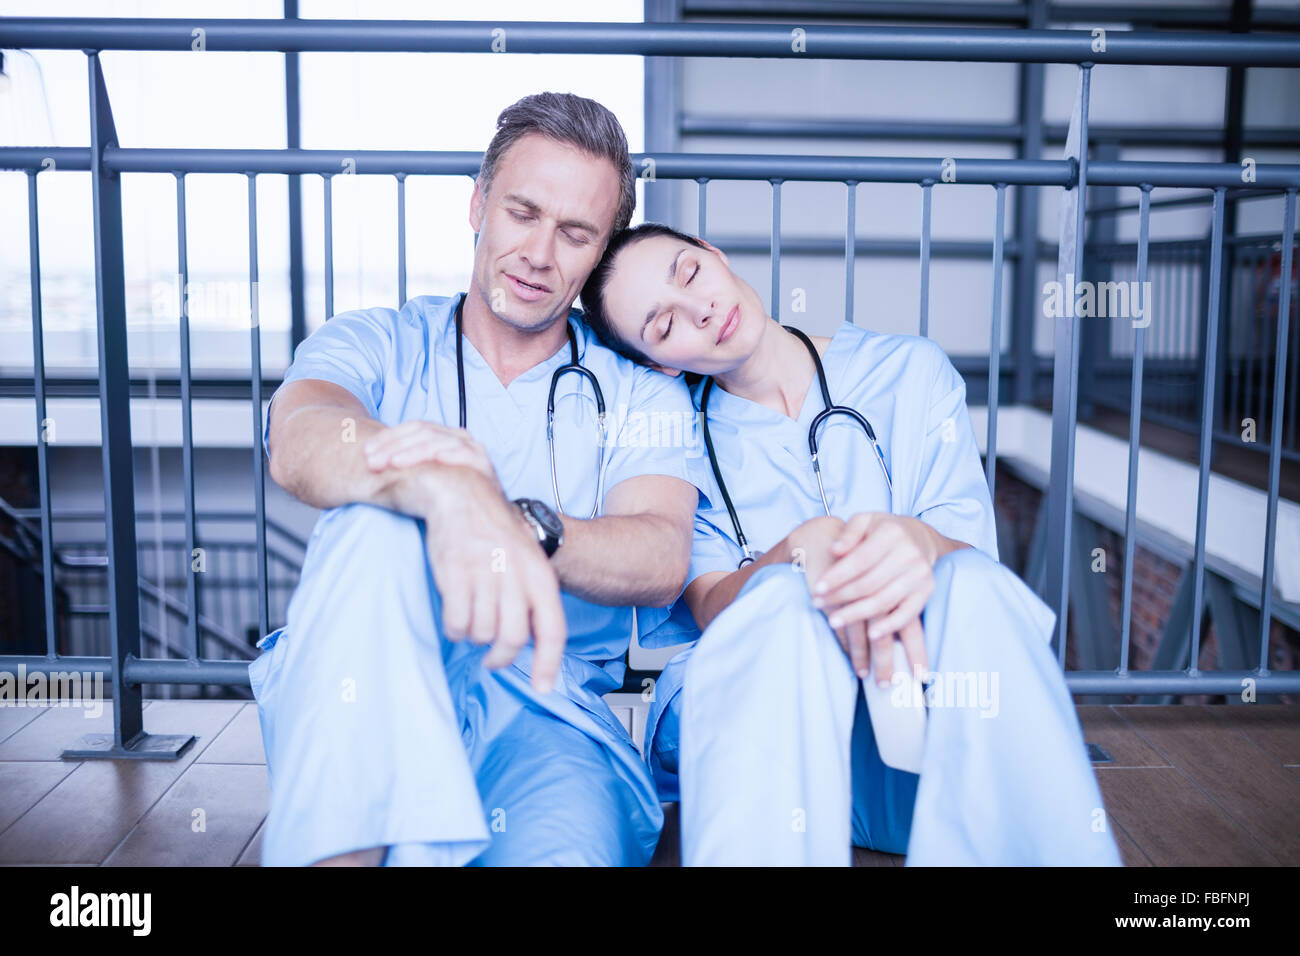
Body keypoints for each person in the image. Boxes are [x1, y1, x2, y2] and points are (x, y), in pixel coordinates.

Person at [578, 222, 1124, 866]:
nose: (697, 311)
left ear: (715, 255)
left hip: (912, 726)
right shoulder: (678, 441)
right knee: (779, 600)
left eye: (689, 273)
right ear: (661, 364)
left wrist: (915, 540)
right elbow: (710, 605)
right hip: (772, 737)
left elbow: (971, 564)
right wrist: (799, 551)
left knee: (969, 586)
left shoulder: (909, 373)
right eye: (663, 327)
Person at [250, 96, 703, 866]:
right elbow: (300, 441)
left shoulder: (636, 389)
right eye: (523, 212)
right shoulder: (379, 341)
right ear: (478, 204)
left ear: (599, 253)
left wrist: (507, 519)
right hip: (372, 680)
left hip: (548, 714)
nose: (539, 253)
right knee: (371, 523)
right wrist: (438, 488)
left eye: (575, 233)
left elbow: (661, 557)